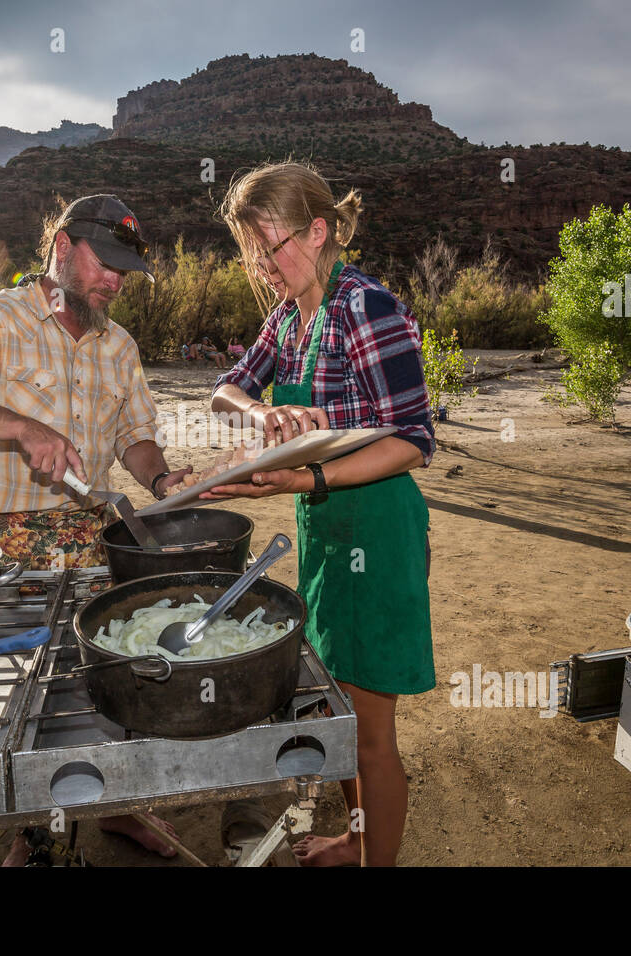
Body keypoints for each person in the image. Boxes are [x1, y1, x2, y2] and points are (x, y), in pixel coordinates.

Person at [0, 193, 192, 863]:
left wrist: (164, 481)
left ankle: (121, 806)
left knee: (108, 679)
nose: (113, 281)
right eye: (102, 263)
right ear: (61, 248)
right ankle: (30, 834)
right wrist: (19, 426)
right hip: (7, 544)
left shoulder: (119, 346)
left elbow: (136, 435)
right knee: (24, 692)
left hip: (94, 539)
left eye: (123, 271)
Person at [205, 162, 435, 867]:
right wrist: (263, 409)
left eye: (271, 248)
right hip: (326, 528)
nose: (263, 267)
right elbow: (225, 389)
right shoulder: (288, 317)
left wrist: (307, 474)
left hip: (378, 527)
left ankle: (377, 860)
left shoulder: (365, 306)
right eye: (252, 253)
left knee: (369, 733)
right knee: (336, 712)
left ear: (319, 229)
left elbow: (412, 440)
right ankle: (355, 837)